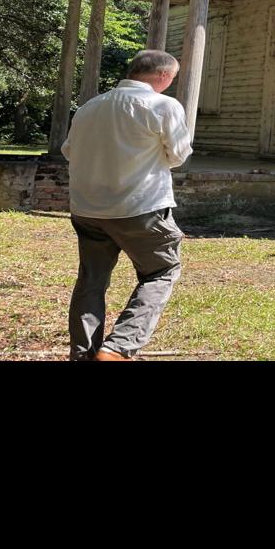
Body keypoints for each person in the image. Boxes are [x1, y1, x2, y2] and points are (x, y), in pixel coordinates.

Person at [61, 49, 192, 361]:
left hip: (88, 208)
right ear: (163, 76)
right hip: (141, 207)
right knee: (161, 271)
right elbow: (178, 155)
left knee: (91, 281)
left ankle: (83, 354)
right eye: (171, 78)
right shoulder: (163, 105)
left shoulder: (89, 107)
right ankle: (117, 348)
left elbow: (69, 151)